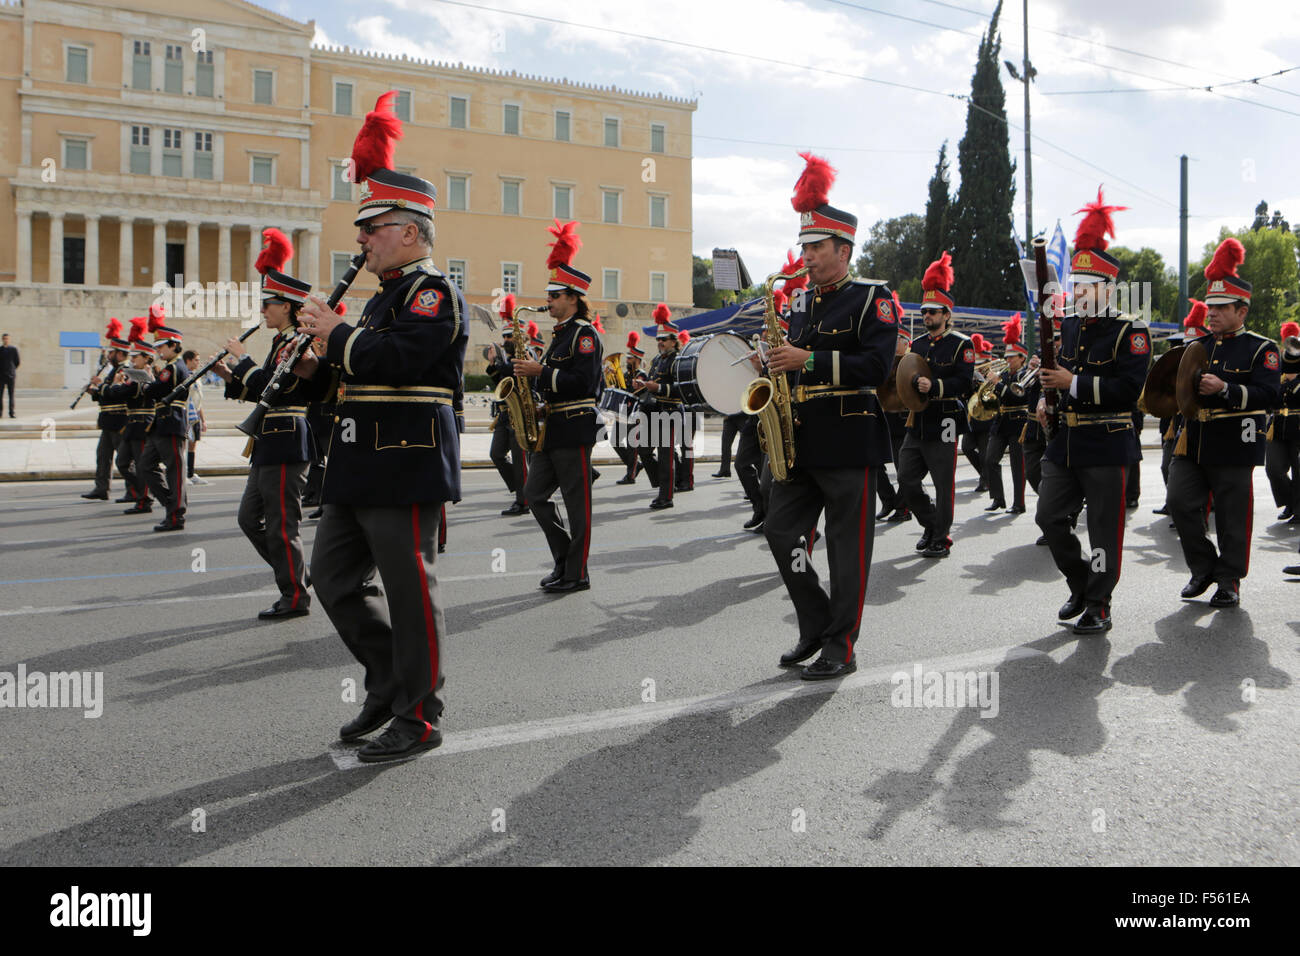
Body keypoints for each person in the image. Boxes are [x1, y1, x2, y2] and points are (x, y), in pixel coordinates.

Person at [294, 92, 466, 762]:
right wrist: (316, 366)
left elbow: (402, 362)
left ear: (412, 229)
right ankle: (388, 680)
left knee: (409, 588)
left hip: (405, 460)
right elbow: (360, 373)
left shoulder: (432, 293)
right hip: (359, 464)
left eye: (374, 227)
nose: (361, 240)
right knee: (332, 580)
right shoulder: (382, 298)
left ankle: (420, 713)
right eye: (363, 229)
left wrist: (339, 336)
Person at [765, 152, 896, 680]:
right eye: (804, 247)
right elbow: (793, 361)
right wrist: (771, 362)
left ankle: (842, 643)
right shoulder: (800, 304)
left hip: (848, 439)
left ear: (843, 249)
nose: (807, 257)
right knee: (781, 533)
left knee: (846, 551)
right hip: (801, 440)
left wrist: (810, 359)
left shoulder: (873, 299)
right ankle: (816, 622)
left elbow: (879, 366)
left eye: (816, 247)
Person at [1034, 189, 1147, 634]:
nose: (1076, 291)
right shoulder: (1069, 325)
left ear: (1107, 288)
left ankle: (1100, 602)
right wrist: (1048, 398)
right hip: (1066, 441)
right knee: (1048, 518)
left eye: (1084, 285)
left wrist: (1072, 383)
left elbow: (1128, 390)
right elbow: (1056, 372)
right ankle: (1081, 583)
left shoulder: (1130, 331)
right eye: (1074, 283)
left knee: (1103, 531)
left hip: (1107, 441)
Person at [212, 227, 318, 621]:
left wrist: (242, 360)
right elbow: (262, 393)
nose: (264, 311)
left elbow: (279, 388)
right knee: (248, 519)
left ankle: (294, 595)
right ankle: (295, 578)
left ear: (287, 306)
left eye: (269, 303)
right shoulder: (279, 342)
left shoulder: (299, 342)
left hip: (287, 440)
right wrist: (230, 375)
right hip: (269, 440)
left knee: (281, 524)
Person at [1168, 238, 1280, 608]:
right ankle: (1203, 568)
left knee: (1233, 516)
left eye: (1220, 307)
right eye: (1209, 306)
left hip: (1235, 442)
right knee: (1180, 503)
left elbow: (1270, 395)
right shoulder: (1198, 345)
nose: (1210, 313)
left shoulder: (1261, 349)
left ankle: (1229, 579)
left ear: (1242, 311)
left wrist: (1228, 388)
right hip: (1195, 439)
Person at [511, 219, 602, 593]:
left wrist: (541, 371)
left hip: (576, 424)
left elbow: (583, 383)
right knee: (533, 496)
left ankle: (577, 573)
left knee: (578, 508)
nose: (547, 301)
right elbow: (551, 377)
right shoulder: (558, 336)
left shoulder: (584, 335)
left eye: (554, 296)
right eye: (548, 296)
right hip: (551, 430)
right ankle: (564, 558)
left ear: (573, 298)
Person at [897, 251, 975, 558]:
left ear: (946, 313)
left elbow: (965, 383)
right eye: (924, 311)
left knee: (944, 483)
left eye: (933, 311)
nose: (927, 315)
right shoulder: (916, 345)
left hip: (945, 420)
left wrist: (937, 386)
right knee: (906, 479)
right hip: (918, 421)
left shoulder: (961, 344)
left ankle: (941, 537)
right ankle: (930, 523)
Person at [134, 307, 190, 531]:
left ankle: (176, 515)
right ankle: (170, 504)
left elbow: (157, 389)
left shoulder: (174, 367)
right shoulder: (168, 367)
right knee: (146, 466)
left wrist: (147, 383)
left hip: (172, 423)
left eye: (161, 347)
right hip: (161, 424)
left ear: (174, 345)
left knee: (175, 472)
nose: (158, 351)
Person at [637, 305, 687, 510]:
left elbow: (681, 389)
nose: (660, 343)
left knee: (666, 455)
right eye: (658, 340)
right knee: (645, 450)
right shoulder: (657, 359)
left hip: (670, 410)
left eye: (663, 340)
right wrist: (641, 383)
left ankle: (666, 496)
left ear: (673, 341)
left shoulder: (678, 360)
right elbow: (651, 380)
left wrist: (658, 387)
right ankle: (665, 484)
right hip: (654, 410)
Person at [107, 319, 156, 511]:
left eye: (136, 357)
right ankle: (145, 490)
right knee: (123, 463)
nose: (132, 360)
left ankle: (145, 498)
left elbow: (121, 393)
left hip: (142, 425)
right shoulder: (134, 374)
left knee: (141, 464)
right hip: (132, 424)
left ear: (146, 358)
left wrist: (117, 385)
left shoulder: (143, 377)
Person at [985, 314, 1030, 515]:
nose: (1008, 360)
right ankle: (998, 497)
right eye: (1007, 357)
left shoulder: (1024, 375)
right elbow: (997, 397)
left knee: (1017, 465)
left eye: (1012, 357)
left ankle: (1019, 503)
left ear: (1022, 358)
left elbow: (1018, 398)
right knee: (989, 459)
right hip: (1001, 421)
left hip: (1018, 421)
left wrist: (997, 384)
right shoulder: (1004, 374)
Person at [81, 319, 129, 500]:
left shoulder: (125, 371)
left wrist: (100, 387)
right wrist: (93, 391)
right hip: (108, 421)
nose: (109, 356)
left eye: (112, 352)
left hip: (119, 421)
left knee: (124, 460)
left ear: (120, 354)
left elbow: (117, 393)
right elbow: (107, 394)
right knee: (103, 456)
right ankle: (101, 489)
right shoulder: (112, 371)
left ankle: (134, 490)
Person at [875, 327, 913, 523]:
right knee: (874, 464)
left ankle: (904, 507)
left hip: (902, 421)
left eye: (897, 338)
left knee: (903, 469)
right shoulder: (885, 359)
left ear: (906, 341)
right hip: (884, 419)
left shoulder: (911, 362)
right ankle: (889, 500)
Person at [1265, 320, 1300, 522]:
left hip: (1298, 424)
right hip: (1278, 426)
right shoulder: (1277, 371)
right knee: (1274, 468)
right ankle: (1289, 502)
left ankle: (1297, 508)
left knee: (1299, 470)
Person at [614, 331, 647, 485]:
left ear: (637, 360)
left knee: (631, 444)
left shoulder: (641, 375)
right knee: (615, 441)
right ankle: (634, 466)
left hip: (635, 413)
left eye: (630, 358)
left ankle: (631, 475)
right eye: (627, 357)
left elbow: (638, 393)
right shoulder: (625, 375)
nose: (627, 360)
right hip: (622, 412)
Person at [182, 350, 209, 485]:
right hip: (185, 415)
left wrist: (203, 420)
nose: (198, 362)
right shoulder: (183, 375)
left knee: (193, 445)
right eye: (196, 360)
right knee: (184, 444)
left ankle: (190, 473)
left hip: (195, 415)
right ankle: (182, 473)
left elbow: (199, 399)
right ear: (188, 360)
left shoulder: (197, 377)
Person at [0, 333, 18, 417]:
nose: (5, 340)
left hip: (10, 375)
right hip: (1, 376)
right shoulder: (0, 350)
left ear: (9, 339)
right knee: (0, 395)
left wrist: (12, 370)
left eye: (7, 338)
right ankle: (0, 413)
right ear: (2, 339)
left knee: (11, 395)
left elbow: (17, 362)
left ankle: (11, 413)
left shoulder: (13, 349)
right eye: (4, 338)